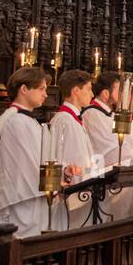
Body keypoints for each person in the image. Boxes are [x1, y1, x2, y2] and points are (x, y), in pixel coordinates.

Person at [0, 67, 64, 247]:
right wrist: (56, 185)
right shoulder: (15, 121)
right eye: (41, 88)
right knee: (17, 255)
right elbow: (28, 167)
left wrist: (61, 175)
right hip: (20, 205)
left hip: (29, 201)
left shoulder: (26, 120)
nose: (45, 94)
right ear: (24, 89)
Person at [83, 71, 133, 219]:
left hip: (121, 178)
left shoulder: (111, 115)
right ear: (105, 93)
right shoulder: (92, 114)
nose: (123, 95)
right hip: (105, 182)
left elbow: (129, 146)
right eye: (118, 90)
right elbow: (109, 150)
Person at [51, 69, 99, 227]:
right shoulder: (64, 120)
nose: (92, 95)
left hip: (82, 193)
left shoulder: (73, 119)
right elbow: (59, 158)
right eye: (89, 89)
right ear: (76, 91)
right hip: (71, 196)